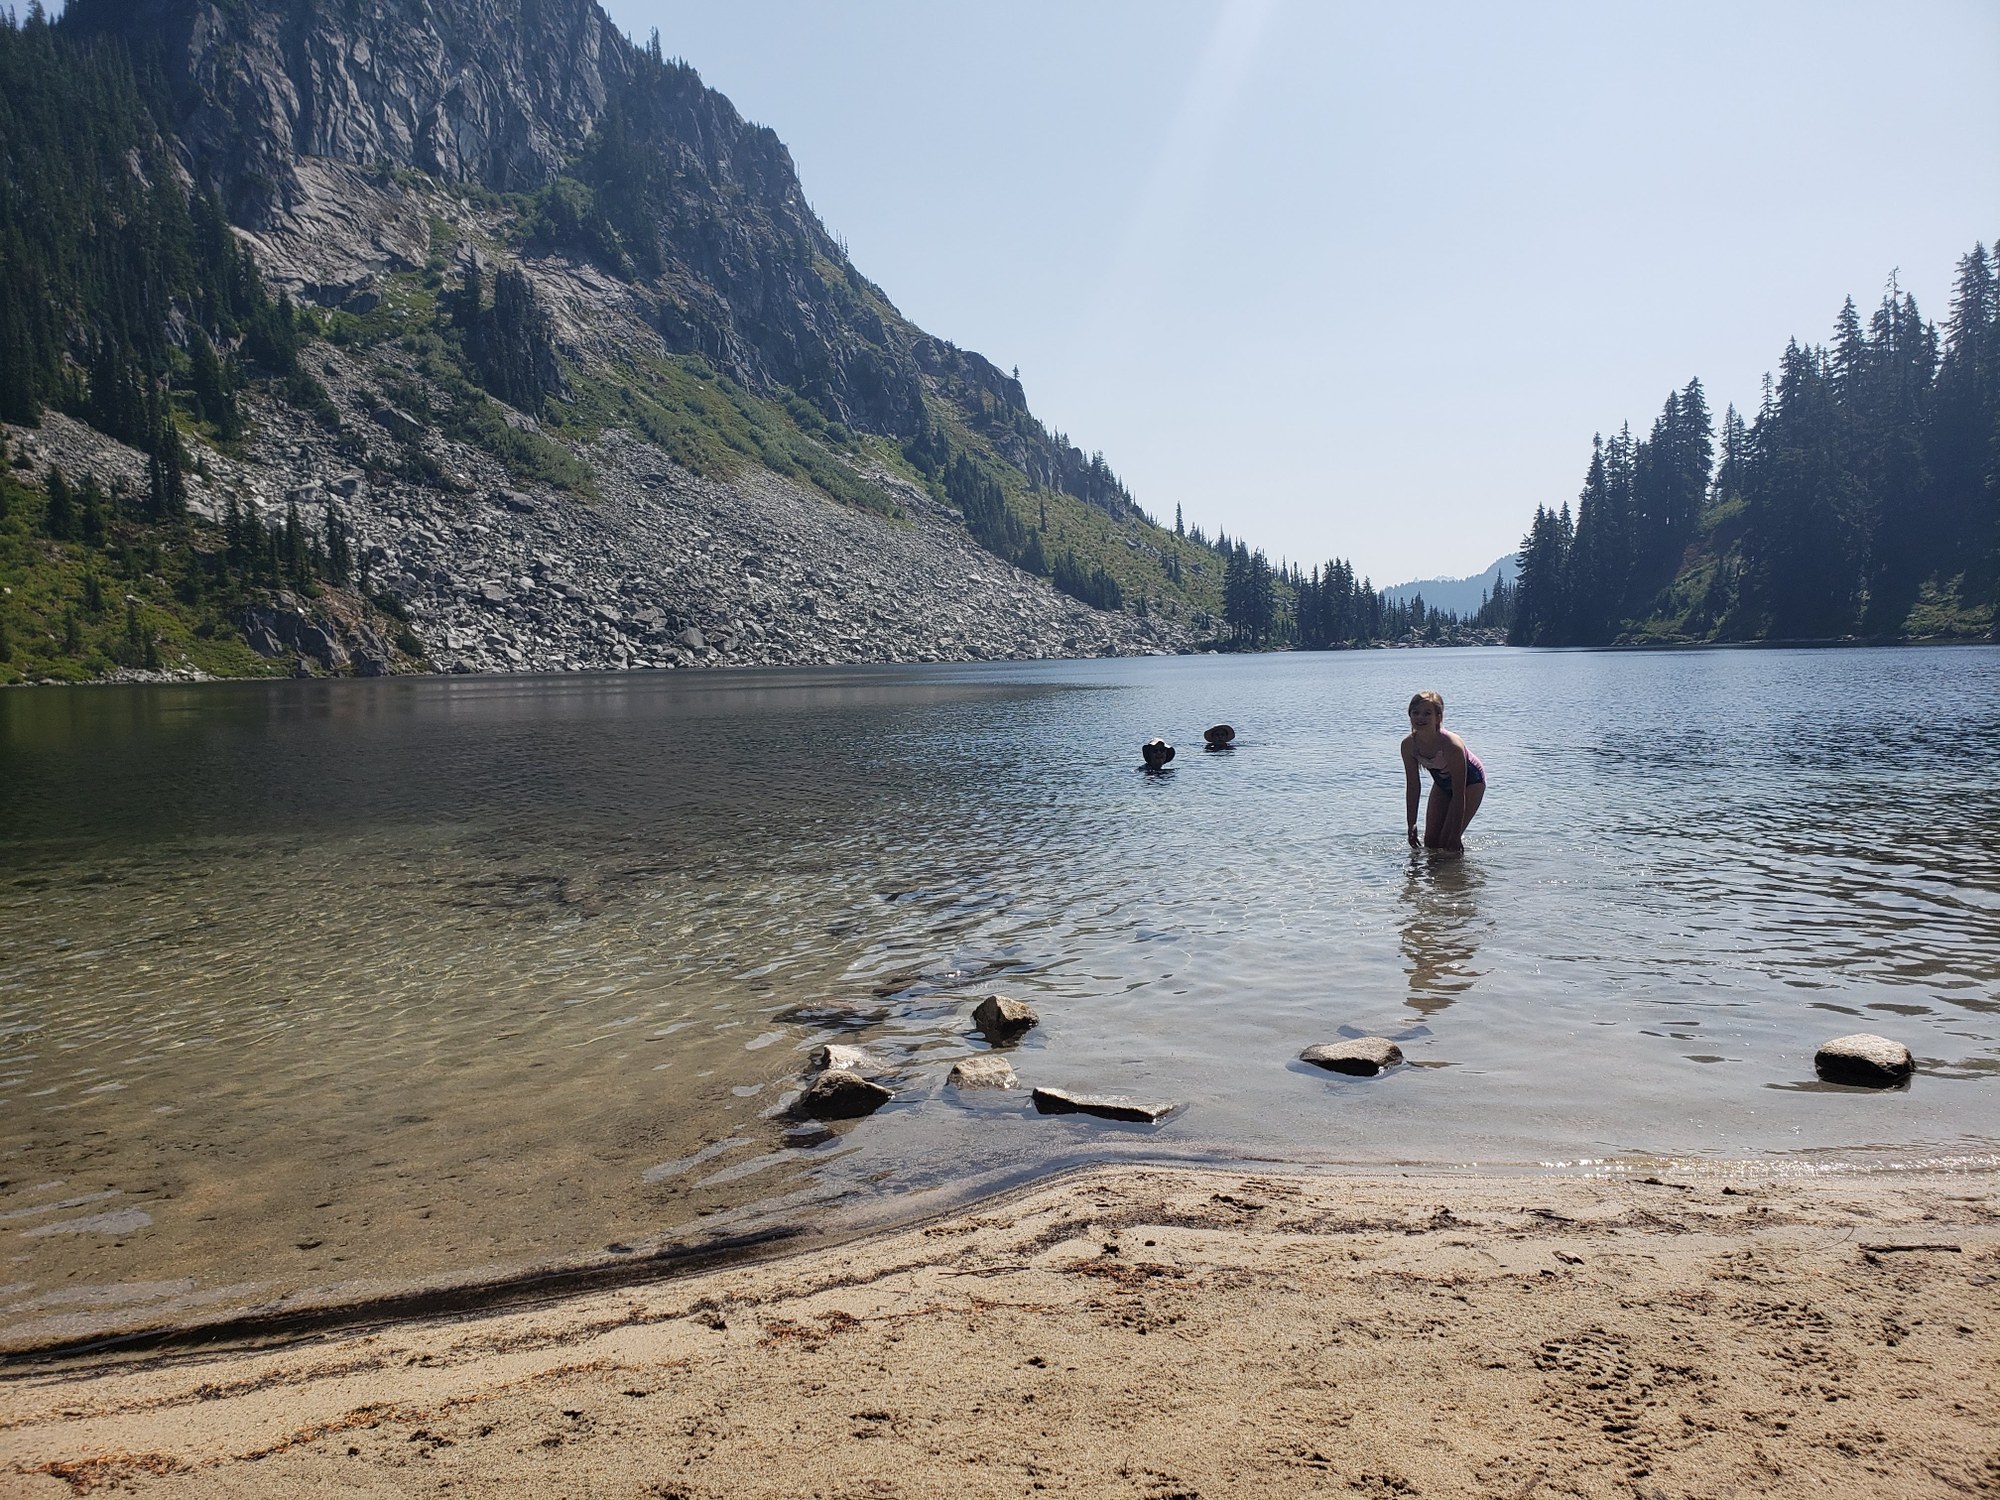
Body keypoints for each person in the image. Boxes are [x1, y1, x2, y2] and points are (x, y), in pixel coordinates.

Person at [1401, 691, 1484, 852]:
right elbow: (1413, 786)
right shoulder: (1408, 746)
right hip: (1443, 783)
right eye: (1415, 713)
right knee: (1430, 842)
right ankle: (1438, 876)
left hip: (1471, 783)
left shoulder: (1451, 745)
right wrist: (1411, 824)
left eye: (1427, 713)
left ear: (1438, 717)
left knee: (1448, 842)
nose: (1420, 718)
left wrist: (1455, 835)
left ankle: (1456, 874)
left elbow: (1459, 794)